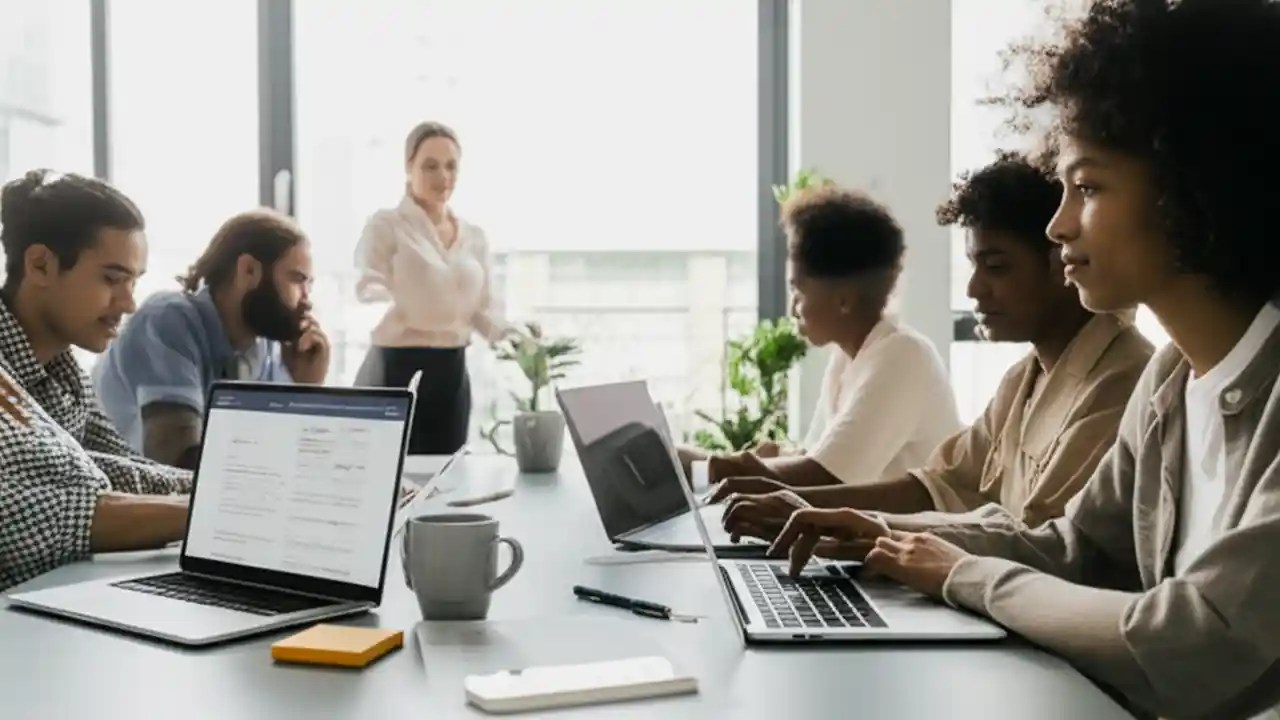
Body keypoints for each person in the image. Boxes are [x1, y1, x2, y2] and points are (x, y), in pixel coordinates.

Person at [768, 1, 1280, 718]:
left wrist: (961, 574)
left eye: (1088, 187)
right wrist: (886, 534)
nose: (1058, 224)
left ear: (1195, 185)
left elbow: (1193, 639)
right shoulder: (1169, 382)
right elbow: (1077, 547)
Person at [715, 153, 1153, 538]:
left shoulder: (1120, 383)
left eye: (996, 267)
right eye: (974, 266)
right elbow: (944, 485)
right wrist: (806, 506)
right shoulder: (1022, 381)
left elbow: (1041, 542)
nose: (974, 289)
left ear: (1062, 261)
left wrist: (847, 521)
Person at [682, 187, 961, 488]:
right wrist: (747, 460)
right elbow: (813, 457)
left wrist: (704, 468)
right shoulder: (848, 359)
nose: (793, 307)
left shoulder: (903, 356)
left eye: (798, 291)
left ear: (844, 300)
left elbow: (822, 477)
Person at [0, 170, 190, 589]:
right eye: (112, 279)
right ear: (40, 264)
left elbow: (122, 469)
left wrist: (224, 491)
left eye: (134, 282)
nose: (129, 303)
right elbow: (13, 516)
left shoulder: (65, 373)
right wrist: (208, 512)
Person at [92, 209, 330, 468]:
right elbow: (178, 462)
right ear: (249, 270)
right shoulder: (168, 320)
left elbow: (287, 462)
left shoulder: (267, 348)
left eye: (310, 284)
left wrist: (306, 389)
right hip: (120, 488)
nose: (307, 299)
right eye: (297, 280)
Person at [353, 121, 509, 455]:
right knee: (392, 472)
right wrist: (406, 310)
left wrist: (519, 337)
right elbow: (368, 290)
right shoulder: (386, 225)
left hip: (451, 372)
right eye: (430, 166)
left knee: (449, 472)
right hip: (395, 368)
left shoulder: (474, 236)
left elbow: (484, 312)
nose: (443, 177)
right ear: (408, 166)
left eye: (451, 166)